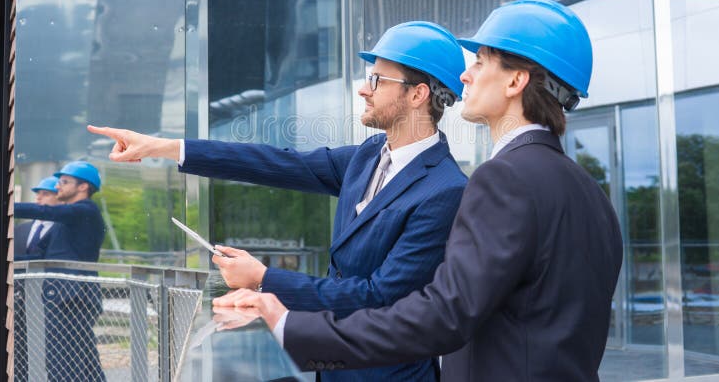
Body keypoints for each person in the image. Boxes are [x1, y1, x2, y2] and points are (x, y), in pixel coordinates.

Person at [216, 0, 625, 381]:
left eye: (480, 63)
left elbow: (445, 314)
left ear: (516, 81)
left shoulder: (503, 179)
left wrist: (292, 325)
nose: (465, 75)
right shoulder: (593, 194)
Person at [88, 21, 469, 381]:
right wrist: (164, 147)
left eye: (377, 80)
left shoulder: (444, 190)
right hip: (334, 366)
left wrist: (264, 279)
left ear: (418, 94)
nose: (364, 88)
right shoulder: (368, 156)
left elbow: (379, 297)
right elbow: (276, 162)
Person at [14, 161, 106, 382]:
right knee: (83, 360)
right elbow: (41, 258)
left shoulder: (86, 211)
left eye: (64, 182)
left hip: (73, 296)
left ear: (83, 187)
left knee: (63, 361)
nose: (58, 187)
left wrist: (6, 206)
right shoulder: (66, 223)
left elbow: (45, 211)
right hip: (63, 296)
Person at [14, 175, 60, 382]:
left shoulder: (63, 230)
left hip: (49, 303)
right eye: (38, 194)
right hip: (18, 304)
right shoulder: (20, 230)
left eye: (46, 194)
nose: (39, 198)